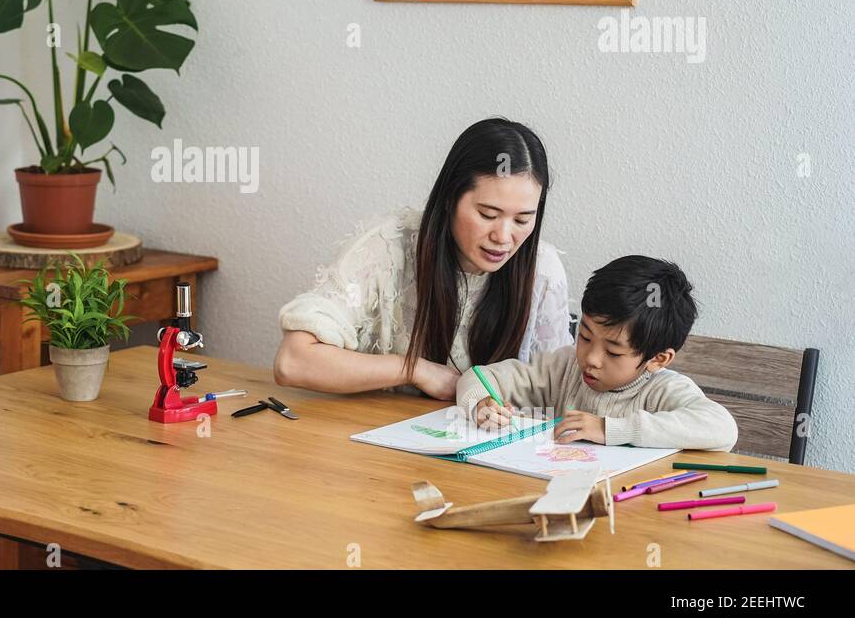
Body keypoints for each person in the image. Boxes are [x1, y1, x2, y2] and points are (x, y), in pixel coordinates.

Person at [274, 117, 571, 400]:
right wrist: (413, 369)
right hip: (373, 439)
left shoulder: (542, 271)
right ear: (449, 199)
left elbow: (559, 394)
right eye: (488, 215)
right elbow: (293, 362)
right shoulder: (388, 247)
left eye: (522, 220)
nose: (504, 237)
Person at [460, 255, 738, 451]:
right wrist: (480, 403)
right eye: (584, 336)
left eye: (614, 352)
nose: (590, 358)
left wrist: (608, 429)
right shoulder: (565, 366)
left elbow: (722, 428)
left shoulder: (663, 389)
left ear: (657, 359)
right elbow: (480, 376)